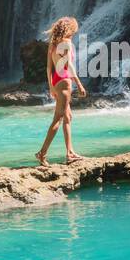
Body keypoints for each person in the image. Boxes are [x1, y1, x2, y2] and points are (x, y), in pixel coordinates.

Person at [35, 16, 87, 166]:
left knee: (68, 117)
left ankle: (70, 152)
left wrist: (51, 86)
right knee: (58, 118)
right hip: (65, 82)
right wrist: (79, 83)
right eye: (74, 31)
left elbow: (49, 68)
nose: (74, 34)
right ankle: (42, 153)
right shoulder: (66, 43)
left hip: (57, 82)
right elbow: (69, 65)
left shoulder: (53, 44)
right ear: (70, 29)